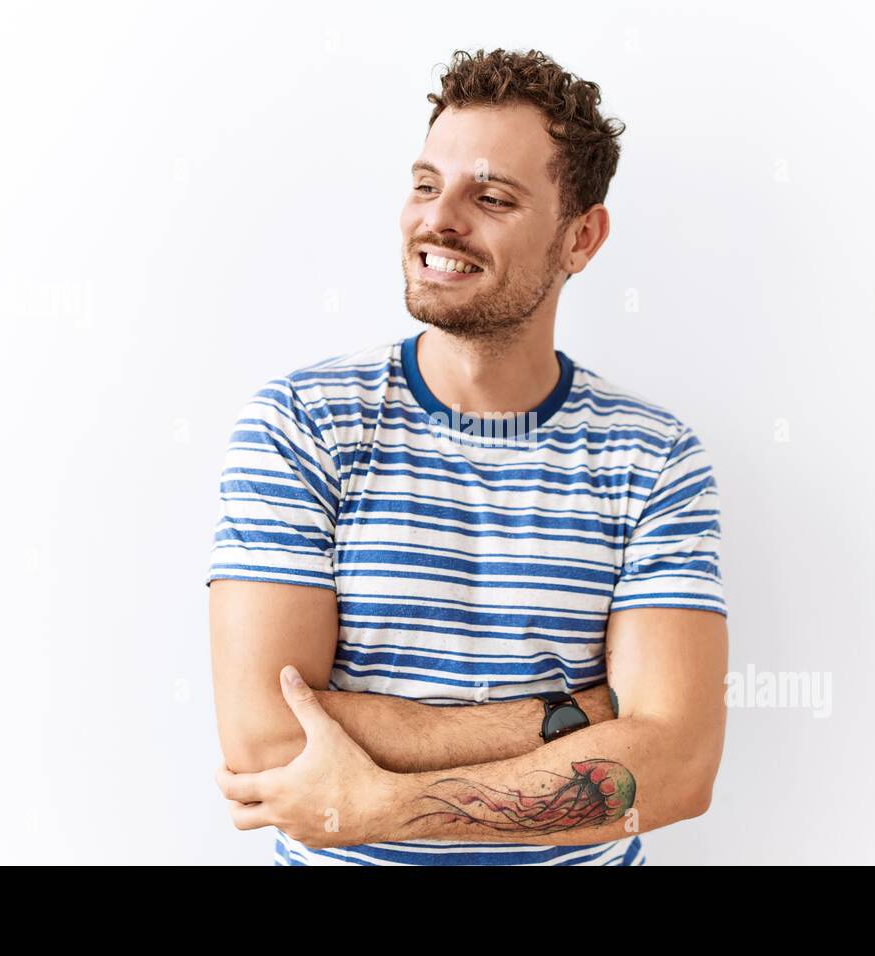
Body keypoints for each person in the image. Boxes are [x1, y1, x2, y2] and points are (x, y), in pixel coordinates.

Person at [206, 48, 729, 866]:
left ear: (581, 237)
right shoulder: (303, 423)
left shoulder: (653, 457)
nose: (438, 219)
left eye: (490, 196)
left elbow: (676, 767)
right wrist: (570, 717)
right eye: (425, 184)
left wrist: (387, 805)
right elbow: (267, 741)